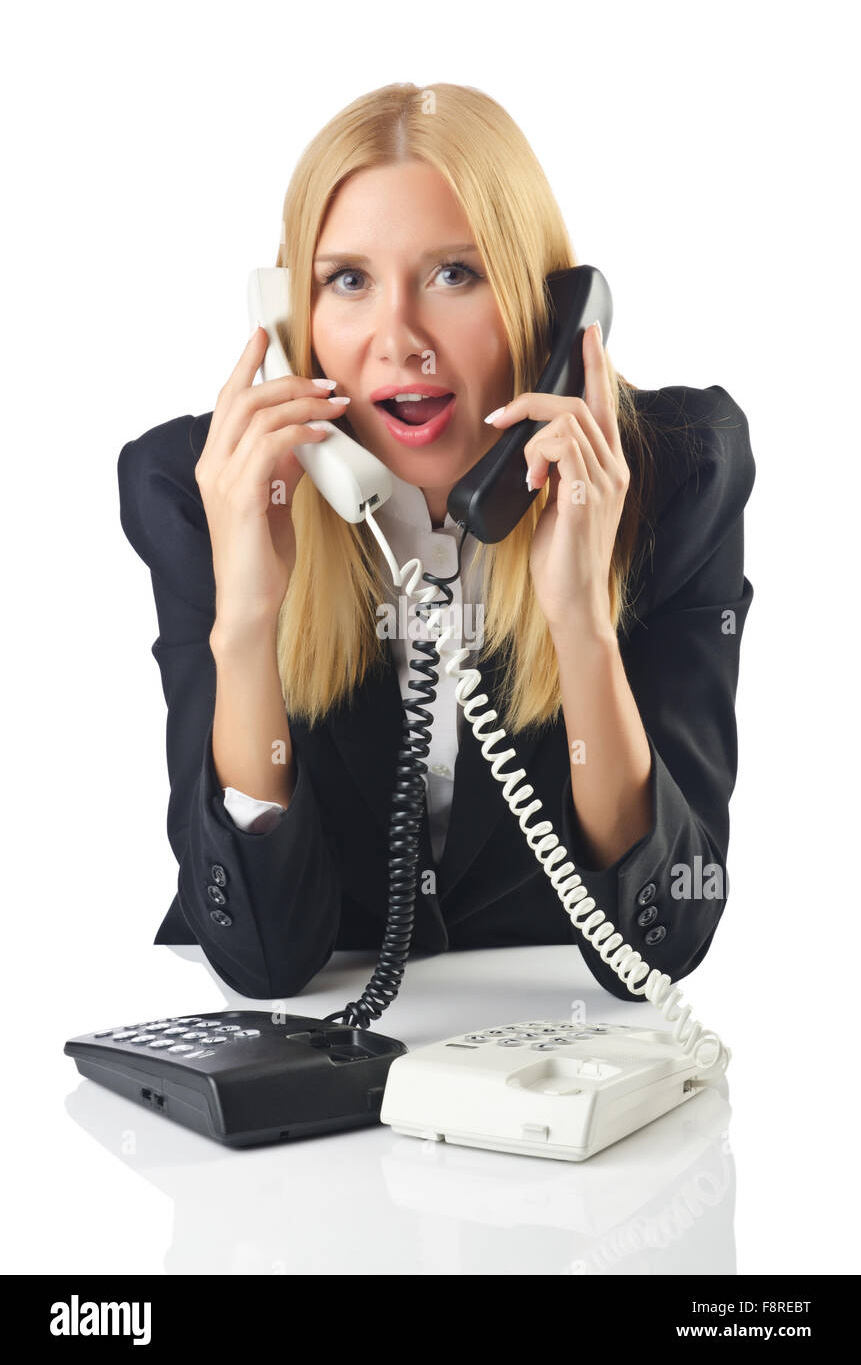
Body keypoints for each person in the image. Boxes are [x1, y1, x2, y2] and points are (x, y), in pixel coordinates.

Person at [117, 82, 755, 1003]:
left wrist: (579, 621)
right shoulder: (195, 487)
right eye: (347, 280)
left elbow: (663, 942)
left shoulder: (676, 474)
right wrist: (248, 621)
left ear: (556, 311)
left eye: (455, 274)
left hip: (549, 1046)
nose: (397, 339)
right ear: (290, 318)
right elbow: (258, 959)